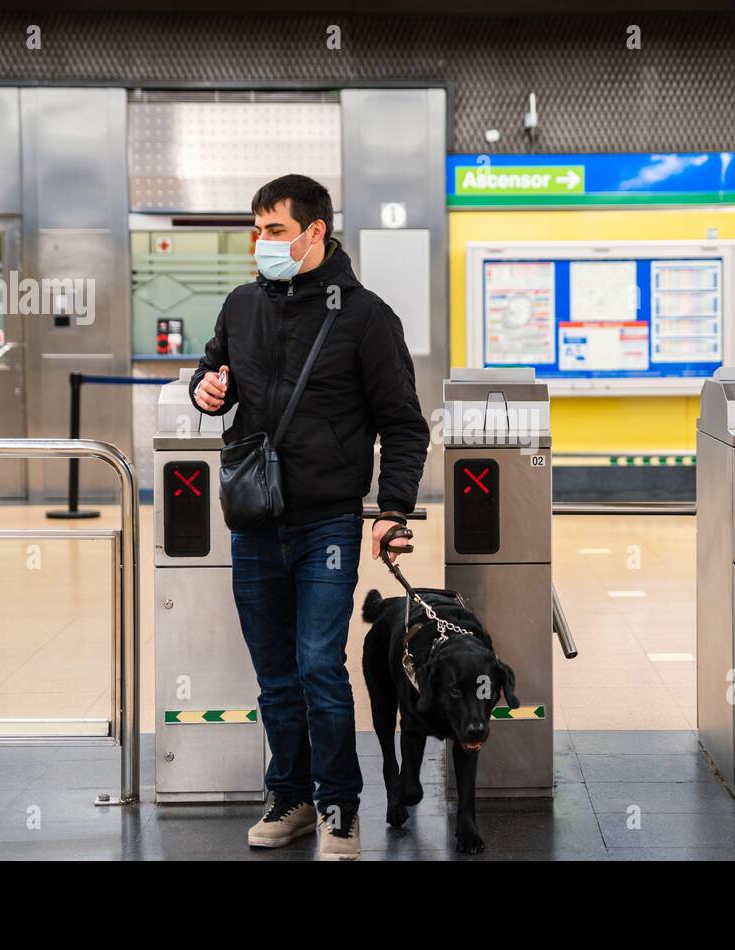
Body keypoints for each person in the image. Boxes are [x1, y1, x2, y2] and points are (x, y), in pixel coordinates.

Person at [190, 174, 430, 861]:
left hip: (326, 520)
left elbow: (404, 426)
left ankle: (338, 805)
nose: (258, 244)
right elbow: (211, 377)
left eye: (273, 231)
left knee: (320, 664)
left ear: (315, 231)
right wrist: (205, 391)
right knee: (275, 672)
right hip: (253, 517)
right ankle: (290, 794)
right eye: (256, 230)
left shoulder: (366, 317)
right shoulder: (241, 306)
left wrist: (392, 509)